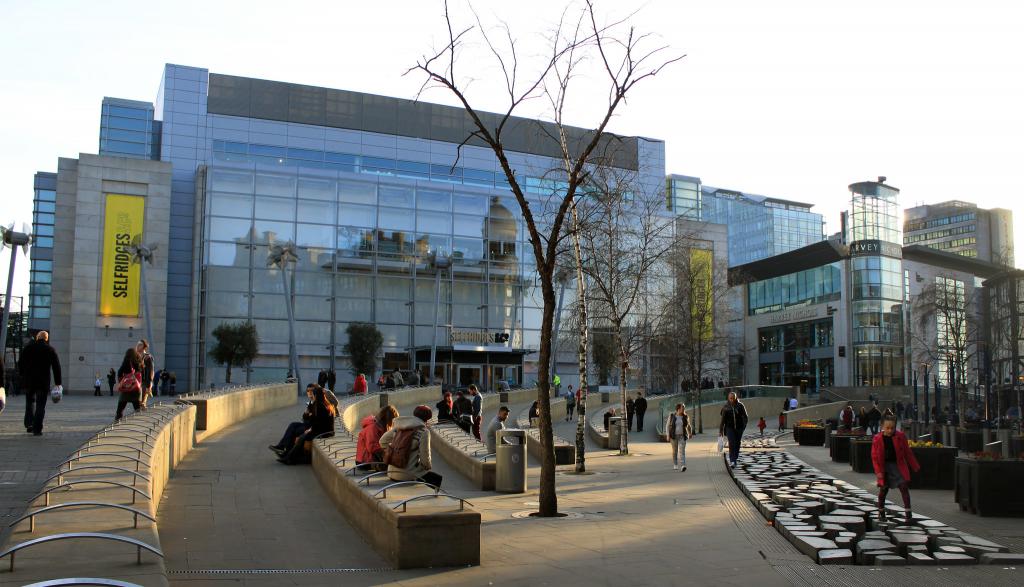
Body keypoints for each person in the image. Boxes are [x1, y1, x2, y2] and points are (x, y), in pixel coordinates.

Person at [871, 416, 920, 525]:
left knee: (903, 487)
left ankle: (908, 514)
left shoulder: (900, 436)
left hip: (898, 466)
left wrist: (915, 466)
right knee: (884, 489)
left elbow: (907, 452)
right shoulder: (877, 439)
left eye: (892, 428)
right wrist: (878, 471)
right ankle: (881, 511)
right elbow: (874, 456)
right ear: (882, 426)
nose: (890, 430)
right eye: (887, 428)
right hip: (884, 467)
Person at [379, 405, 442, 488]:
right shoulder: (423, 431)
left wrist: (393, 451)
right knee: (436, 479)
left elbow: (382, 441)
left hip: (391, 472)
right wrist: (427, 466)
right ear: (427, 419)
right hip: (407, 475)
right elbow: (425, 458)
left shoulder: (399, 427)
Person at [279, 385, 336, 464]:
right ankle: (288, 456)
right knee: (300, 432)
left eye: (313, 393)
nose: (312, 395)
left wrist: (310, 429)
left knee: (302, 436)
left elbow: (317, 422)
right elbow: (311, 418)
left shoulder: (321, 406)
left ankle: (290, 458)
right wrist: (309, 416)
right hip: (322, 429)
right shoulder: (322, 404)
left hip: (325, 432)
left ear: (316, 395)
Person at [19, 331, 62, 436]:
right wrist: (58, 383)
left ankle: (29, 424)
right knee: (40, 405)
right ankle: (37, 429)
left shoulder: (28, 348)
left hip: (29, 381)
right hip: (43, 382)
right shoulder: (50, 349)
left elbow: (21, 363)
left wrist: (23, 375)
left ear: (37, 338)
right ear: (46, 339)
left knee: (29, 403)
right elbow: (56, 367)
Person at [269, 384, 318, 455]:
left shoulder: (317, 403)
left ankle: (285, 450)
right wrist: (306, 414)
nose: (309, 392)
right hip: (307, 424)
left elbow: (316, 420)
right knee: (293, 424)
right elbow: (304, 418)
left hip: (312, 427)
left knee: (295, 430)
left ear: (315, 391)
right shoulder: (311, 402)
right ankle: (282, 447)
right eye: (308, 390)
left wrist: (309, 416)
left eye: (311, 390)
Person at [357, 405, 399, 469]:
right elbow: (373, 447)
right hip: (364, 462)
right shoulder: (372, 427)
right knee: (392, 467)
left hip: (371, 459)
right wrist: (387, 454)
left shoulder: (380, 426)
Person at [719, 391, 748, 469]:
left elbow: (745, 417)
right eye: (730, 398)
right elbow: (722, 420)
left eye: (733, 398)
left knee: (737, 443)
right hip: (729, 428)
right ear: (728, 398)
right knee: (732, 443)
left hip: (739, 428)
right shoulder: (726, 407)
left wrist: (743, 427)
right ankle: (732, 461)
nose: (731, 400)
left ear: (736, 398)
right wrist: (720, 431)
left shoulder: (740, 406)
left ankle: (735, 458)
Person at [115, 345, 144, 421]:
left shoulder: (126, 361)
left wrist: (122, 381)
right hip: (136, 389)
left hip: (126, 388)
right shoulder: (139, 361)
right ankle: (139, 422)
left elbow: (119, 372)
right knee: (137, 408)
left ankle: (117, 423)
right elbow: (142, 374)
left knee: (120, 409)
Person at [666, 403, 692, 471]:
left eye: (684, 408)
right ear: (678, 409)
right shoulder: (672, 416)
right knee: (675, 451)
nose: (683, 409)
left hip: (682, 436)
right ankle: (675, 464)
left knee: (682, 451)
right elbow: (667, 426)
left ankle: (683, 465)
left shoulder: (685, 416)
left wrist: (690, 433)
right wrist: (668, 435)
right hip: (673, 436)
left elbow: (688, 425)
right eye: (682, 408)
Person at [137, 340, 155, 409]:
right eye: (137, 344)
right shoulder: (137, 357)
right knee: (137, 403)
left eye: (140, 344)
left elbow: (151, 370)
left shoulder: (148, 357)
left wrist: (150, 383)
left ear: (144, 347)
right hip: (137, 382)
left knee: (141, 403)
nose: (137, 346)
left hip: (144, 382)